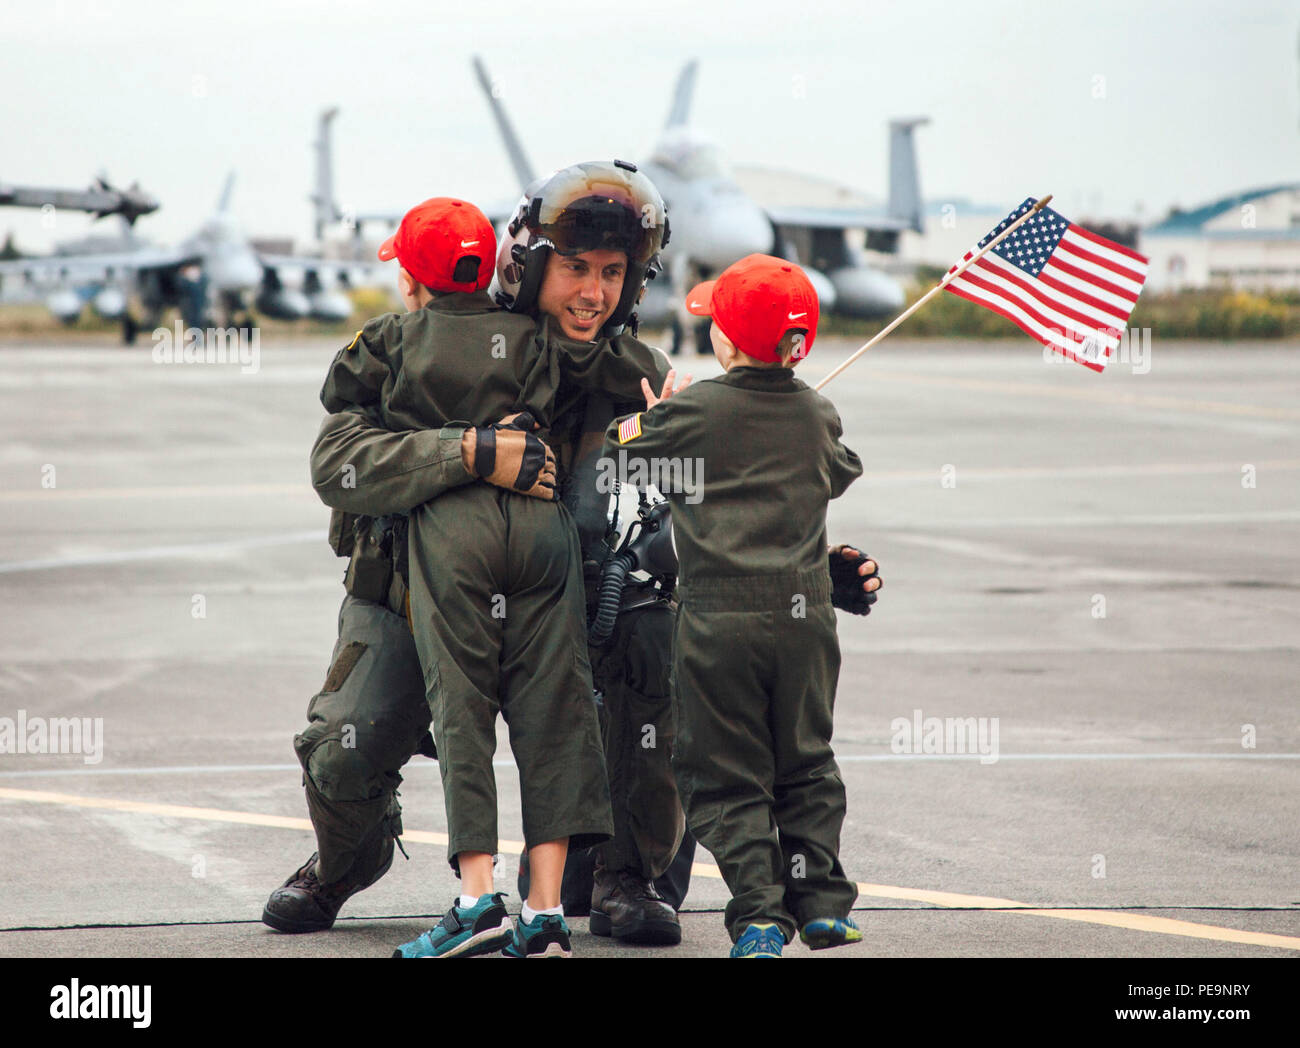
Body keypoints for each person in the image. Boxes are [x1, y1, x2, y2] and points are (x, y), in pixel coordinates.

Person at [602, 253, 866, 958]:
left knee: (724, 776)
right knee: (806, 762)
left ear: (723, 340)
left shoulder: (695, 409)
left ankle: (758, 915)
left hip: (718, 620)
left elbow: (620, 457)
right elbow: (838, 471)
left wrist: (650, 422)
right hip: (806, 618)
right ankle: (821, 902)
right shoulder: (817, 411)